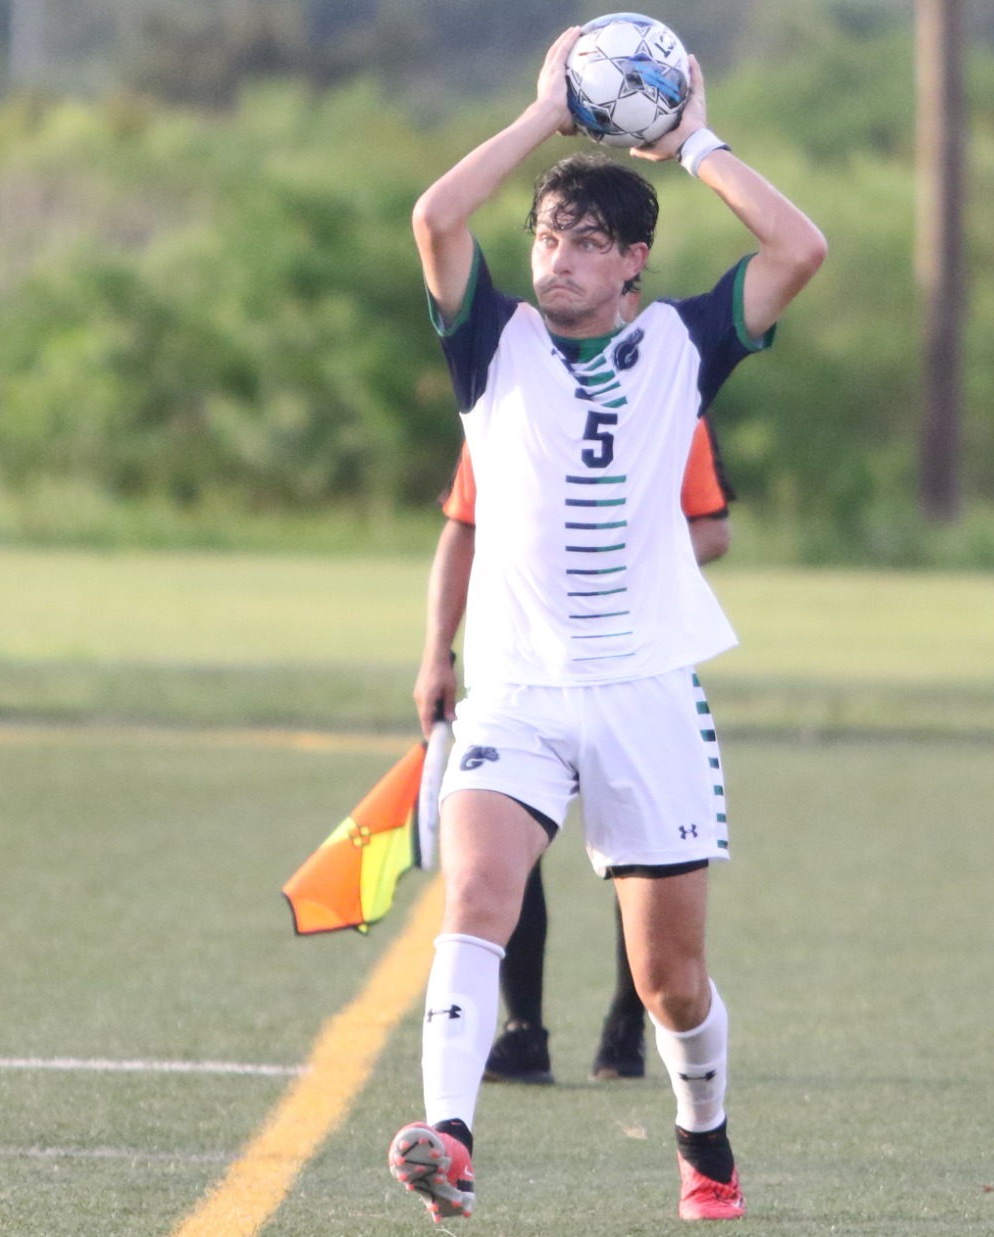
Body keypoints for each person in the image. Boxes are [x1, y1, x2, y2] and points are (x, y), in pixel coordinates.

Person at [385, 25, 824, 1224]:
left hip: (645, 694)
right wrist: (542, 114)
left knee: (667, 981)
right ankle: (454, 1138)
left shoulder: (685, 342)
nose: (559, 261)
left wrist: (696, 145)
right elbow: (433, 218)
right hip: (516, 689)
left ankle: (706, 1145)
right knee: (475, 896)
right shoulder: (492, 344)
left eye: (587, 243)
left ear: (634, 261)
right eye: (547, 238)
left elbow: (801, 244)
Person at [448, 412, 736, 1087]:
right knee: (503, 851)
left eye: (627, 293)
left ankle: (626, 1021)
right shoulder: (508, 396)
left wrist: (616, 565)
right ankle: (524, 1028)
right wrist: (438, 651)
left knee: (641, 851)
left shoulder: (667, 399)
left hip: (627, 670)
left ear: (627, 298)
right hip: (528, 673)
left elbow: (711, 525)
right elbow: (464, 527)